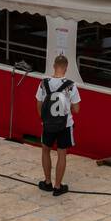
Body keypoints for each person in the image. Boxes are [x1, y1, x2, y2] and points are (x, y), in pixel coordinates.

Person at [36, 55, 81, 197]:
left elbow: (39, 104)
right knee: (62, 154)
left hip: (48, 124)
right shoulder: (71, 85)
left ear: (54, 66)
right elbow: (77, 109)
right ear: (66, 68)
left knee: (45, 151)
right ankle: (57, 186)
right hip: (65, 125)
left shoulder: (43, 83)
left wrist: (44, 119)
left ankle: (47, 182)